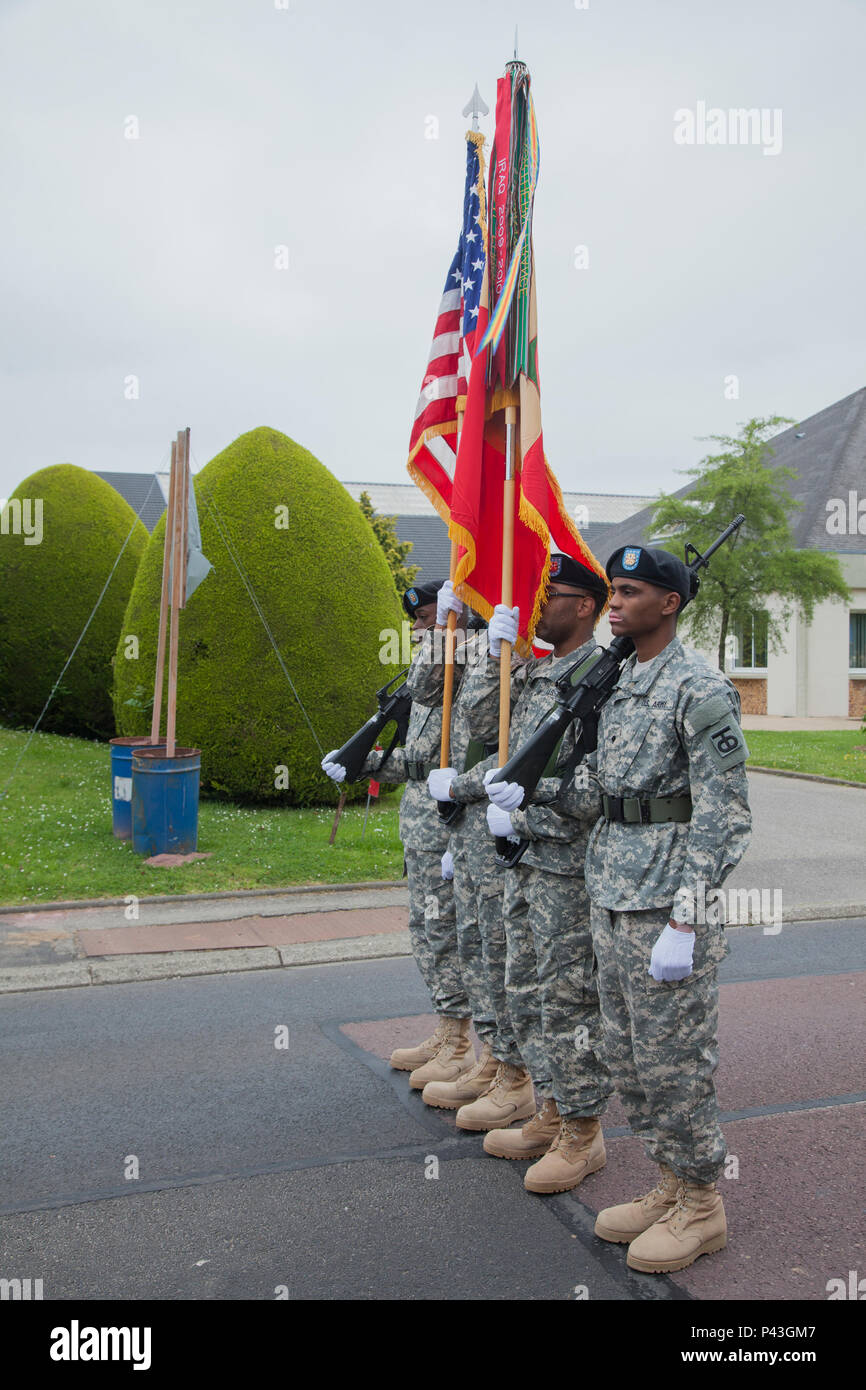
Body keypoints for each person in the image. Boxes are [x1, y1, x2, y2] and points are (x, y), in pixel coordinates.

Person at [557, 544, 751, 1270]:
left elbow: (724, 814)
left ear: (668, 603)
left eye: (629, 591)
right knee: (628, 1058)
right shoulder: (619, 680)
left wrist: (687, 918)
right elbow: (604, 792)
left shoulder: (699, 687)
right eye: (611, 589)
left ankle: (702, 1204)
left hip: (666, 907)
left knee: (673, 1064)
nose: (613, 602)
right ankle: (670, 1183)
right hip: (610, 892)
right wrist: (525, 793)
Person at [431, 557, 615, 1195]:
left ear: (587, 606)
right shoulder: (535, 671)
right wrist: (496, 651)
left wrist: (516, 801)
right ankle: (552, 1110)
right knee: (528, 992)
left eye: (551, 594)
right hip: (523, 859)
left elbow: (589, 780)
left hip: (567, 862)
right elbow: (483, 725)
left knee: (569, 1001)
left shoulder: (600, 677)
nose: (538, 604)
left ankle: (583, 1133)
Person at [321, 580, 474, 1088]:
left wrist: (370, 761)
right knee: (425, 930)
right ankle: (446, 1026)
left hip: (453, 827)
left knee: (453, 934)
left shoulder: (465, 672)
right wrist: (358, 761)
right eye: (415, 621)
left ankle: (462, 1044)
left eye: (427, 618)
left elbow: (436, 758)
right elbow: (414, 760)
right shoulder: (424, 677)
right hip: (420, 826)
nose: (417, 628)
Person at [408, 581, 516, 1112]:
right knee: (450, 933)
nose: (423, 624)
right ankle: (465, 1042)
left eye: (431, 617)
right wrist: (439, 637)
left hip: (483, 816)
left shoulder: (502, 650)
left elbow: (482, 728)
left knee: (489, 944)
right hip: (451, 819)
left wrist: (483, 644)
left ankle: (488, 1057)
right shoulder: (461, 647)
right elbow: (424, 691)